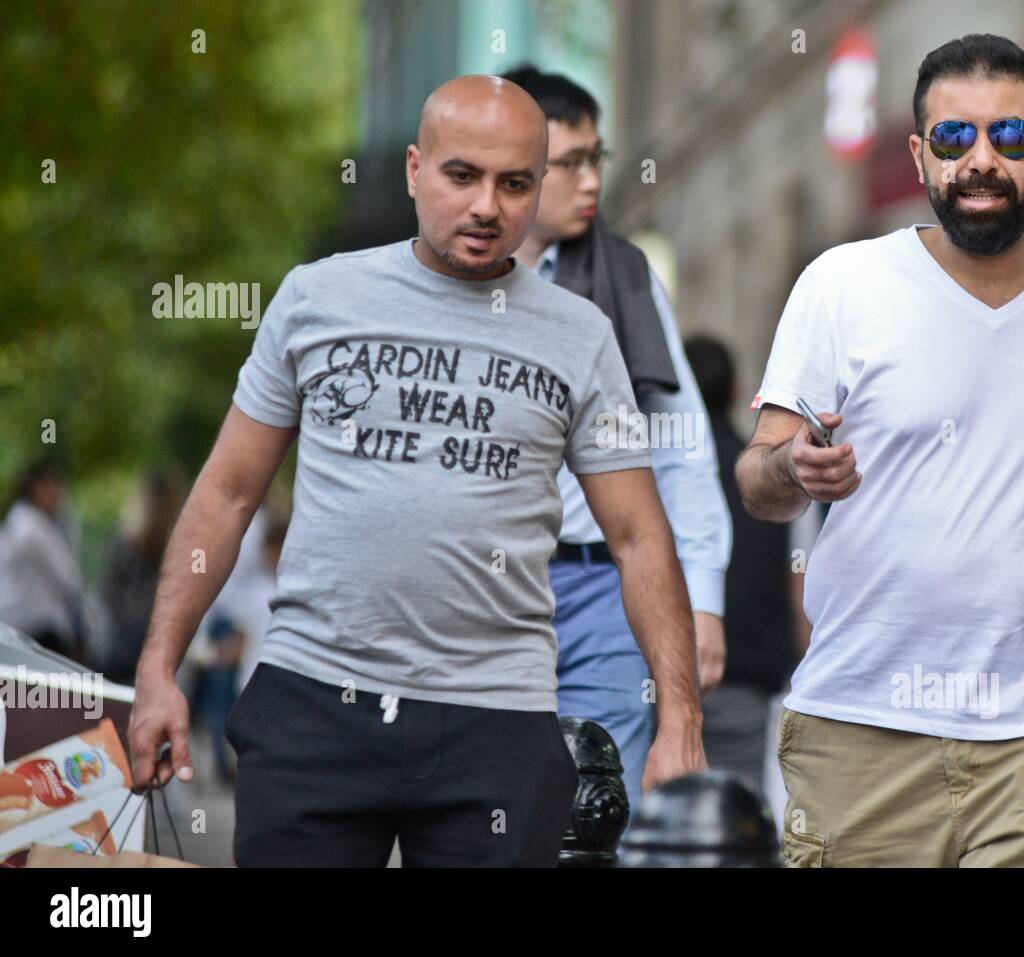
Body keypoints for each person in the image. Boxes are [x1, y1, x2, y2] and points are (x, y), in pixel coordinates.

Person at [127, 75, 706, 867]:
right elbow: (227, 493)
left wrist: (680, 721)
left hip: (496, 719)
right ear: (413, 169)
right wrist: (158, 668)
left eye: (514, 184)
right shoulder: (317, 298)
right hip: (315, 699)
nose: (486, 207)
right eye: (461, 175)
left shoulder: (581, 335)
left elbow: (638, 536)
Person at [737, 34, 1024, 866]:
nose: (981, 159)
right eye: (955, 137)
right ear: (920, 154)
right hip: (861, 723)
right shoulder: (841, 285)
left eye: (1008, 136)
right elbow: (758, 478)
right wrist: (792, 466)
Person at [502, 65, 730, 816]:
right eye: (569, 163)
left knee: (602, 810)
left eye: (595, 157)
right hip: (488, 589)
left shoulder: (626, 277)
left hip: (607, 586)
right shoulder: (457, 274)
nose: (591, 180)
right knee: (491, 811)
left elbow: (681, 448)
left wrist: (703, 600)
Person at [683, 335, 796, 797]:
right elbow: (795, 574)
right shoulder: (766, 475)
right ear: (735, 391)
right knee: (735, 811)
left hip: (663, 670)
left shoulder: (659, 468)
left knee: (658, 812)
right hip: (747, 673)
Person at [102, 470, 186, 685]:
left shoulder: (125, 541)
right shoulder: (176, 545)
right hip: (158, 636)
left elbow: (108, 590)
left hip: (122, 640)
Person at [0, 459, 84, 660]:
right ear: (35, 487)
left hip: (19, 620)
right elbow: (69, 576)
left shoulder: (18, 521)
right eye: (52, 486)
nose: (57, 494)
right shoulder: (31, 527)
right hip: (36, 624)